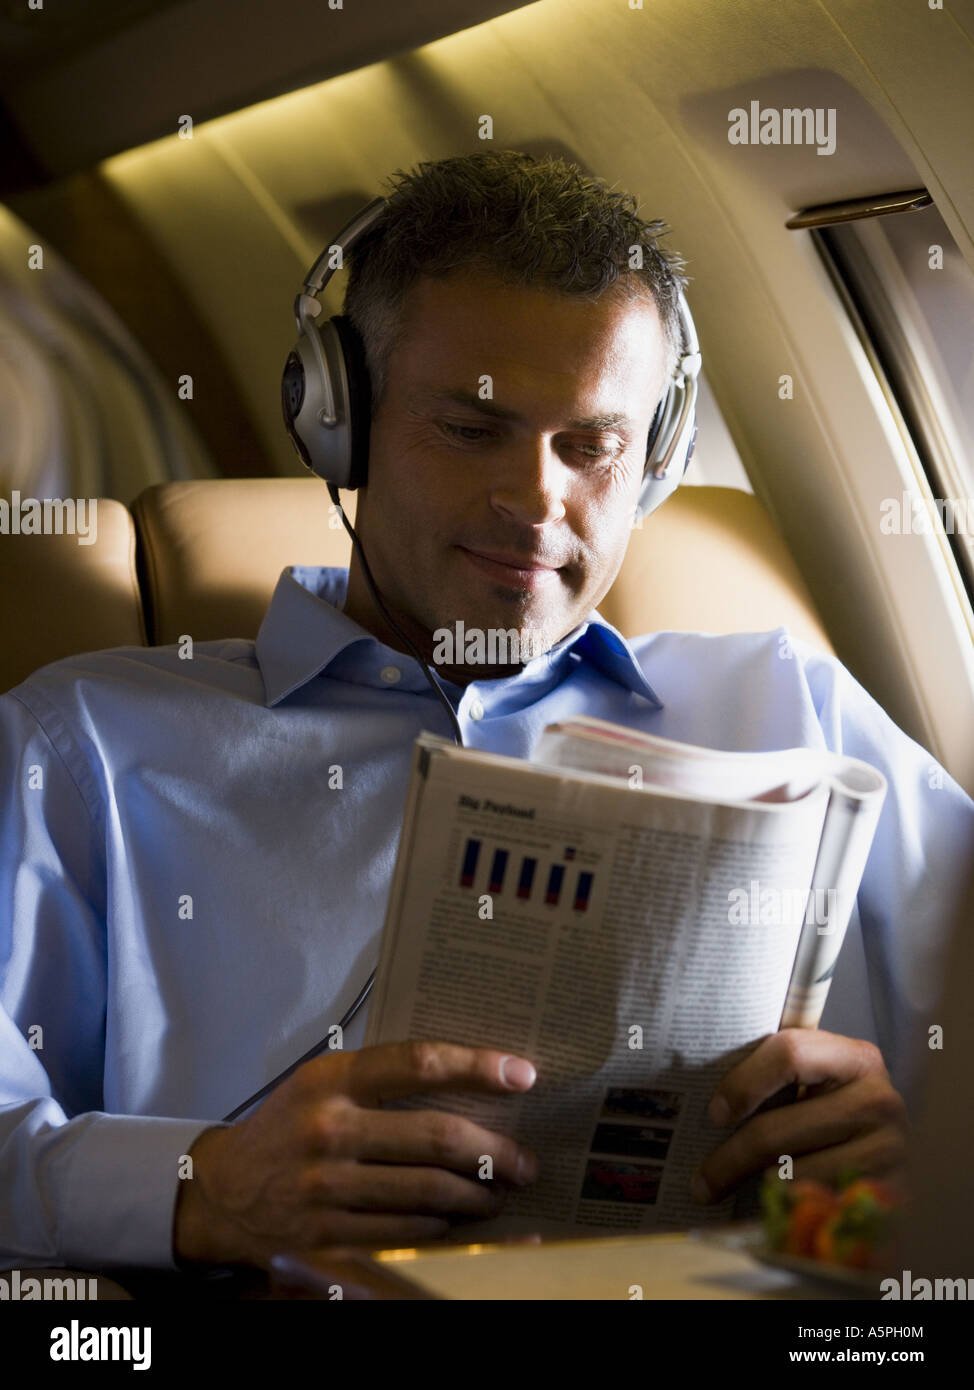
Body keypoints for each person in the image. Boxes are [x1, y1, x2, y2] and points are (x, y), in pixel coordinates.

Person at [1, 152, 971, 1276]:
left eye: (591, 444)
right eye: (471, 430)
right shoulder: (87, 749)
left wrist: (922, 1142)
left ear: (653, 457)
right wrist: (200, 1186)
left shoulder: (791, 705)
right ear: (338, 423)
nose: (534, 501)